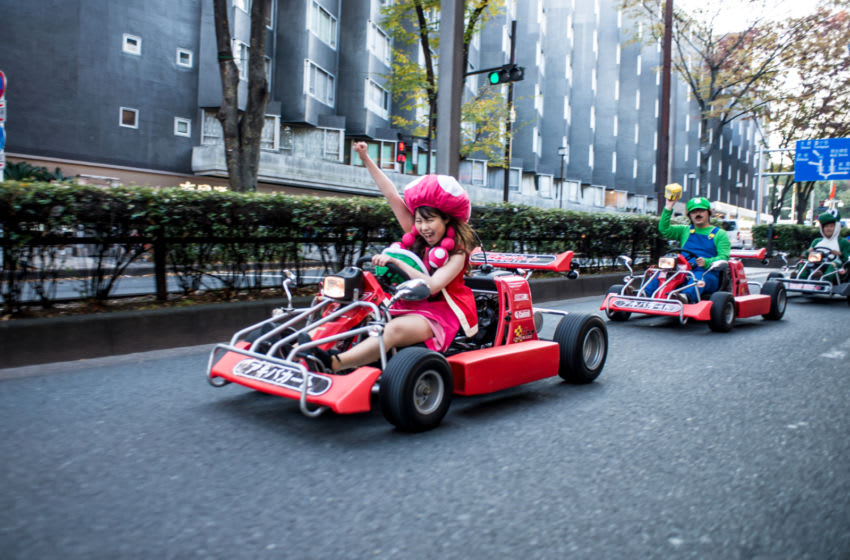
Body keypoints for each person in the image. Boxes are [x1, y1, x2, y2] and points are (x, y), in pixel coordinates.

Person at [298, 141, 478, 372]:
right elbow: (391, 194)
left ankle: (332, 363)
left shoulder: (458, 253)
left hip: (441, 312)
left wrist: (395, 261)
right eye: (419, 220)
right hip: (403, 302)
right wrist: (365, 158)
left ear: (446, 219)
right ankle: (298, 347)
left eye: (430, 220)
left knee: (390, 330)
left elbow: (432, 286)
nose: (423, 227)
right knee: (353, 312)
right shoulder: (416, 237)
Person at [643, 191, 731, 302]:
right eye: (693, 211)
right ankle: (644, 294)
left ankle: (684, 298)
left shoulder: (720, 234)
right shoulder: (685, 230)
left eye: (701, 210)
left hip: (708, 274)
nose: (697, 214)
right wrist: (668, 206)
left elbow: (724, 257)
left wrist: (707, 262)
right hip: (683, 271)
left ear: (708, 213)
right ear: (689, 215)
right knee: (663, 272)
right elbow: (664, 229)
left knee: (698, 277)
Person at [799, 209, 850, 283]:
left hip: (836, 266)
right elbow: (806, 255)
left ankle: (825, 280)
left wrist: (840, 254)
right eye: (826, 227)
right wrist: (808, 252)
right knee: (804, 262)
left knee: (832, 264)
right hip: (817, 263)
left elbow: (847, 258)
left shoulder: (842, 242)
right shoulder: (817, 241)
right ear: (822, 228)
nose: (828, 229)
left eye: (831, 226)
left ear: (836, 227)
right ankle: (800, 278)